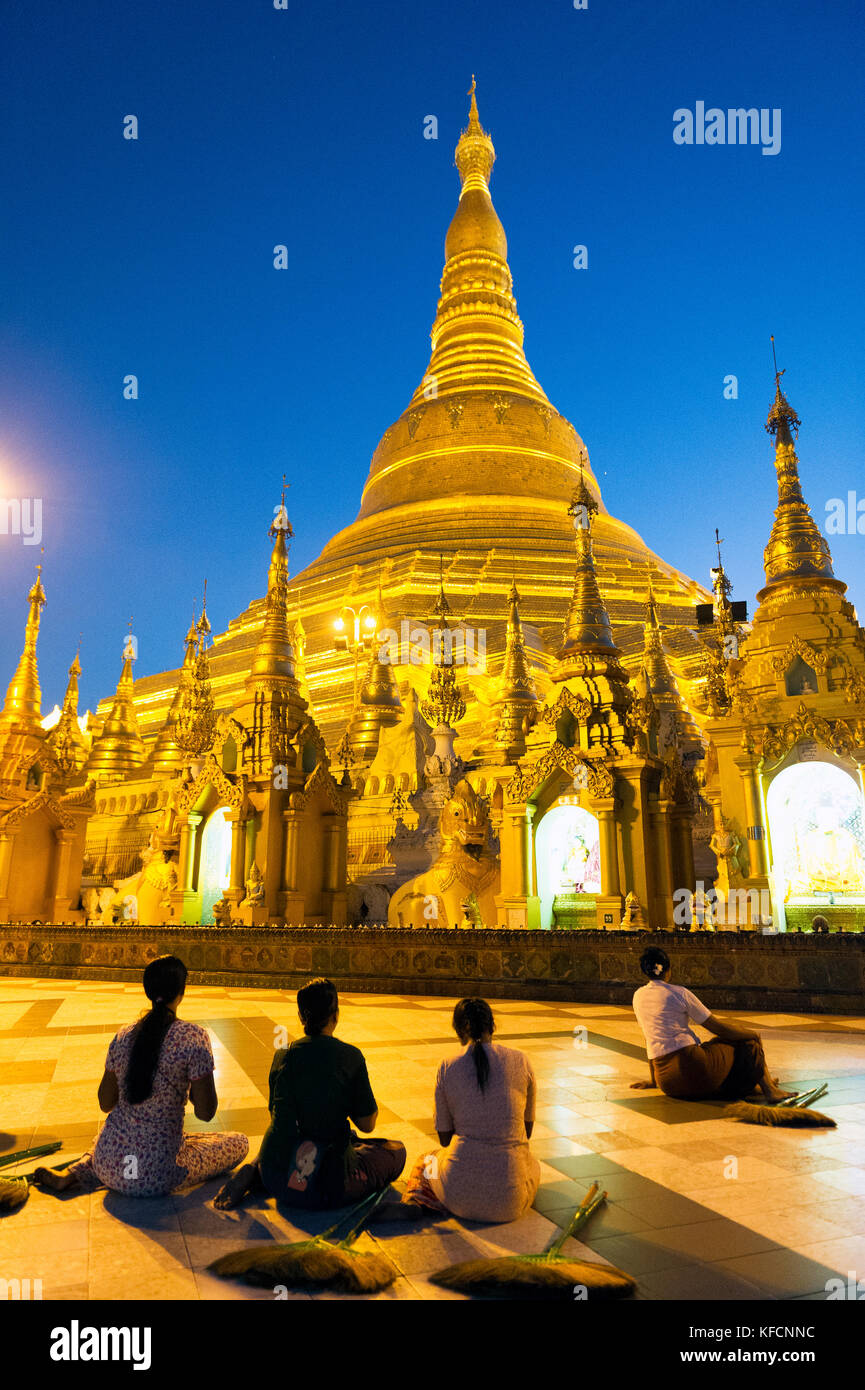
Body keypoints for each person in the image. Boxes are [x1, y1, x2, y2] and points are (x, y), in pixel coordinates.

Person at [35, 955, 248, 1196]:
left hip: (108, 1164)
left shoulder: (124, 1035)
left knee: (122, 1131)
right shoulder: (193, 1037)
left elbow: (105, 1103)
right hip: (153, 1175)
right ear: (181, 992)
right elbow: (206, 1113)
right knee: (238, 1142)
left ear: (148, 990)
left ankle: (74, 1174)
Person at [214, 978, 405, 1210]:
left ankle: (255, 1169)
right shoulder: (350, 1057)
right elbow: (367, 1124)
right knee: (396, 1151)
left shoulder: (282, 1055)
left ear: (301, 1016)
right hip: (323, 1186)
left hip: (274, 1175)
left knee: (294, 1136)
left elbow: (275, 1113)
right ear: (336, 1015)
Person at [392, 997, 540, 1224]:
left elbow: (443, 1139)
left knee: (428, 1160)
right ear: (492, 1026)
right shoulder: (521, 1061)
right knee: (531, 1163)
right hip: (511, 1201)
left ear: (459, 1032)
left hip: (456, 1195)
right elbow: (526, 1131)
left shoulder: (447, 1066)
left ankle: (416, 1199)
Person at [630, 946, 795, 1102]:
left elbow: (649, 1037)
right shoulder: (678, 993)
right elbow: (717, 1027)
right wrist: (752, 1034)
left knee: (715, 1047)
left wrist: (653, 1081)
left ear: (645, 971)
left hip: (667, 1082)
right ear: (668, 970)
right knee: (748, 1042)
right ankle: (770, 1090)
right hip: (692, 1068)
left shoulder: (638, 996)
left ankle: (758, 1085)